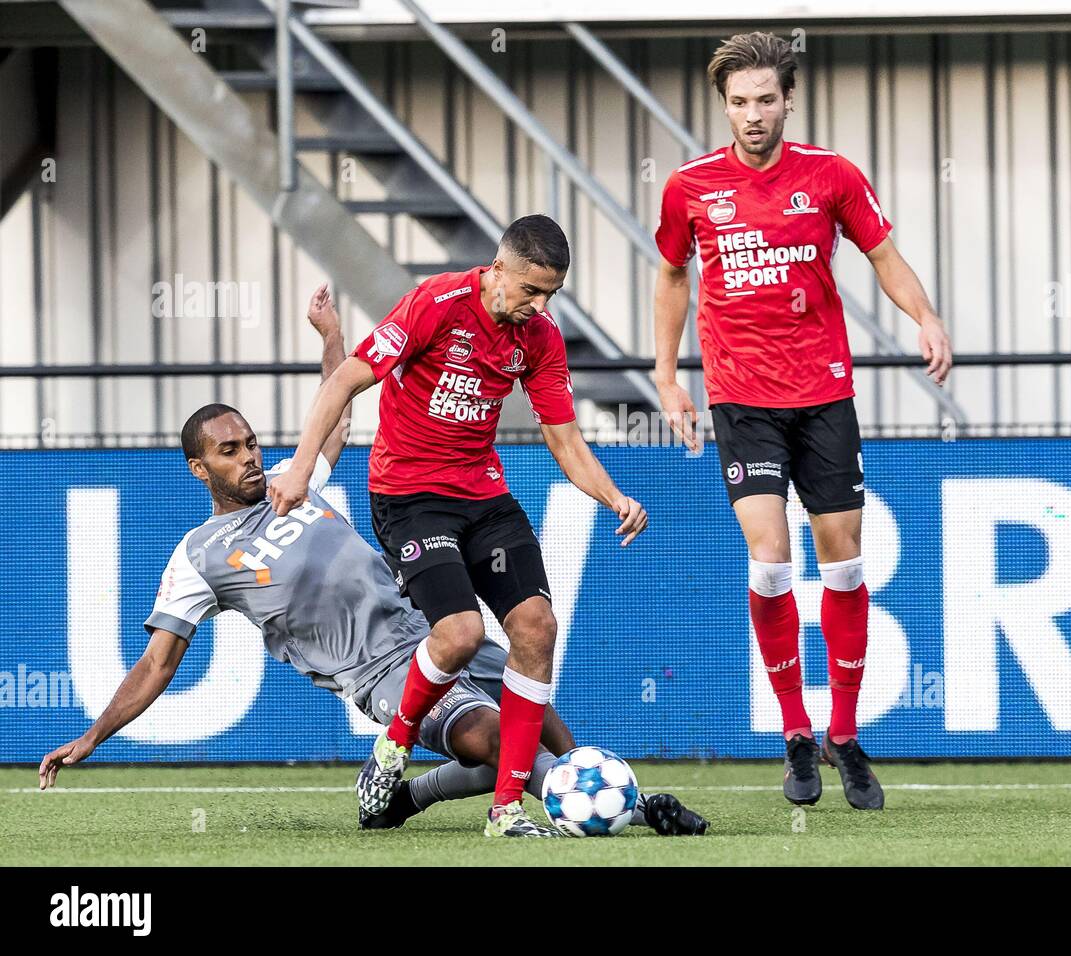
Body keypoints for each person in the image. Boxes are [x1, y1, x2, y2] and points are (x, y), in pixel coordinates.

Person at [38, 286, 706, 838]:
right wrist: (93, 735)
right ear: (198, 467)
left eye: (248, 443)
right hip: (379, 674)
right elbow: (158, 663)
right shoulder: (199, 555)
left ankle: (416, 798)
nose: (246, 456)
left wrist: (331, 337)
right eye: (228, 450)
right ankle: (621, 808)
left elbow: (336, 418)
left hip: (430, 629)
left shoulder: (289, 486)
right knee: (501, 738)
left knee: (538, 711)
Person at [268, 217, 650, 837]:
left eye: (551, 293)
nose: (539, 305)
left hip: (483, 495)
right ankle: (393, 747)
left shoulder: (540, 337)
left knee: (536, 627)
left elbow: (564, 436)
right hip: (409, 495)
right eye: (530, 290)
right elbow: (346, 380)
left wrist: (613, 495)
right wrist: (303, 469)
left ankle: (506, 810)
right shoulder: (435, 304)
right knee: (461, 633)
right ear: (497, 270)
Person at [652, 32, 953, 810]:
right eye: (738, 102)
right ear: (724, 106)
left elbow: (884, 254)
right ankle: (794, 731)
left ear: (788, 99)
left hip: (822, 394)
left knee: (844, 561)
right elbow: (673, 277)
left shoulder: (831, 176)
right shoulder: (690, 188)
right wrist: (667, 374)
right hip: (741, 398)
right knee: (768, 553)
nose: (752, 115)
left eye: (764, 100)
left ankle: (844, 734)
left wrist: (924, 317)